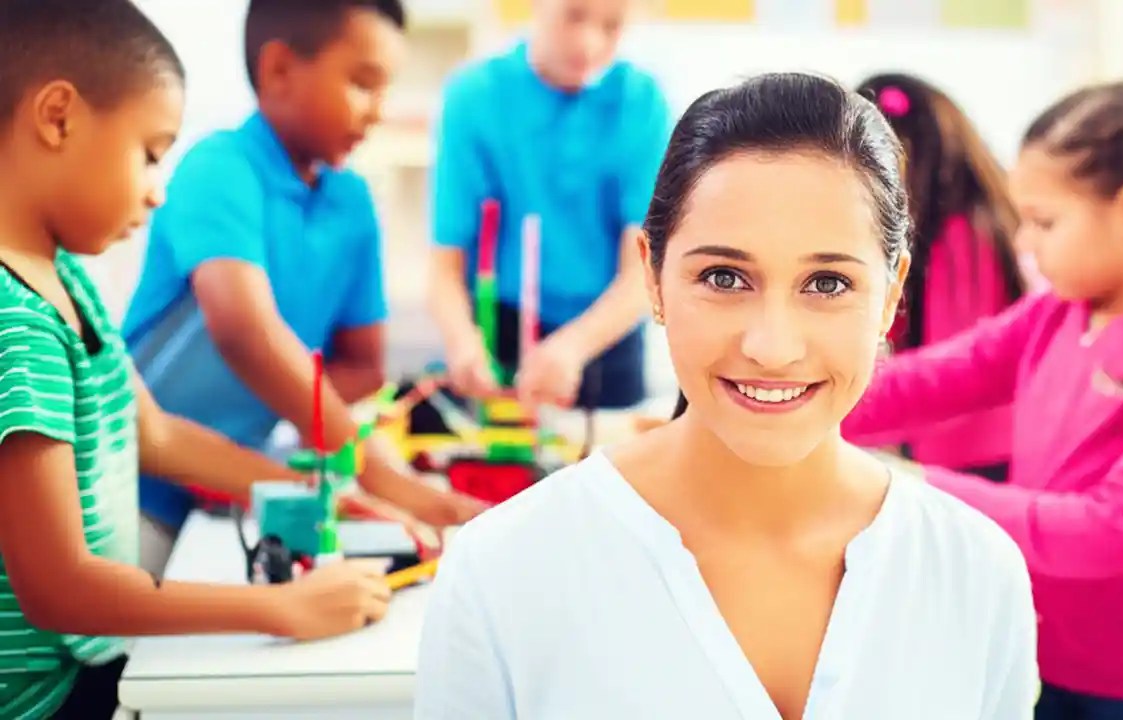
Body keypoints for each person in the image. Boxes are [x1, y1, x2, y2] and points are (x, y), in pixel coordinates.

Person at [414, 73, 1038, 719]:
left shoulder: (976, 573)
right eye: (724, 277)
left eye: (826, 284)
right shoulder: (504, 572)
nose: (773, 346)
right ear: (652, 277)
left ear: (890, 293)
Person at [0, 2, 395, 718]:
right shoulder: (15, 322)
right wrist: (280, 608)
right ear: (57, 118)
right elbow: (56, 588)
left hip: (86, 667)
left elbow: (158, 436)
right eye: (150, 153)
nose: (157, 190)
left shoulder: (68, 278)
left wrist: (311, 493)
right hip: (43, 701)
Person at [842, 80, 1123, 719]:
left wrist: (911, 484)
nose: (1024, 242)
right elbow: (929, 381)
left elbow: (1114, 530)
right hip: (1038, 655)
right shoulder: (1050, 317)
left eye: (1044, 222)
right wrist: (810, 395)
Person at [121, 0, 486, 576]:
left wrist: (337, 453)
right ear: (279, 70)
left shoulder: (354, 203)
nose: (378, 111)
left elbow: (362, 368)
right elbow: (246, 333)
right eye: (363, 84)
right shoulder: (217, 166)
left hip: (248, 490)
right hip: (137, 492)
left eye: (386, 88)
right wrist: (375, 471)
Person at [427, 0, 671, 411]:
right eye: (574, 15)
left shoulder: (644, 104)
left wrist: (574, 347)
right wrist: (463, 343)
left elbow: (642, 273)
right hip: (495, 329)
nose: (589, 43)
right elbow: (444, 267)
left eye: (612, 27)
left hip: (607, 337)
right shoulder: (473, 96)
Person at [855, 72, 1028, 483]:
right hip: (969, 447)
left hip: (968, 456)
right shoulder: (980, 225)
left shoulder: (961, 240)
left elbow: (953, 367)